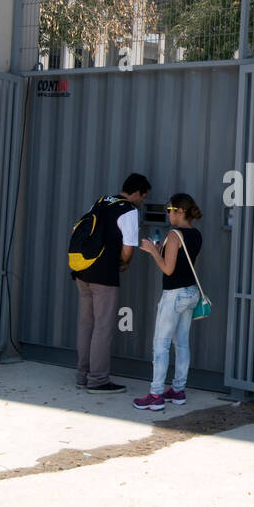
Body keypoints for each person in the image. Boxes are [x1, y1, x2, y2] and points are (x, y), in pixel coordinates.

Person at [73, 173, 150, 394]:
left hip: (82, 269)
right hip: (104, 273)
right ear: (137, 193)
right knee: (103, 327)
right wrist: (124, 263)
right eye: (143, 197)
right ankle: (97, 380)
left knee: (86, 324)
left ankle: (82, 375)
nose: (143, 201)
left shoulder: (101, 201)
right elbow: (128, 248)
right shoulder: (129, 210)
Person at [133, 193, 204, 411]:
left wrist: (154, 251)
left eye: (170, 210)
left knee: (160, 344)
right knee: (181, 343)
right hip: (191, 293)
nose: (168, 214)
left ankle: (155, 395)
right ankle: (178, 390)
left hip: (174, 294)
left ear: (180, 211)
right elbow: (187, 265)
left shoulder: (174, 235)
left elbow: (168, 269)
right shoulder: (196, 234)